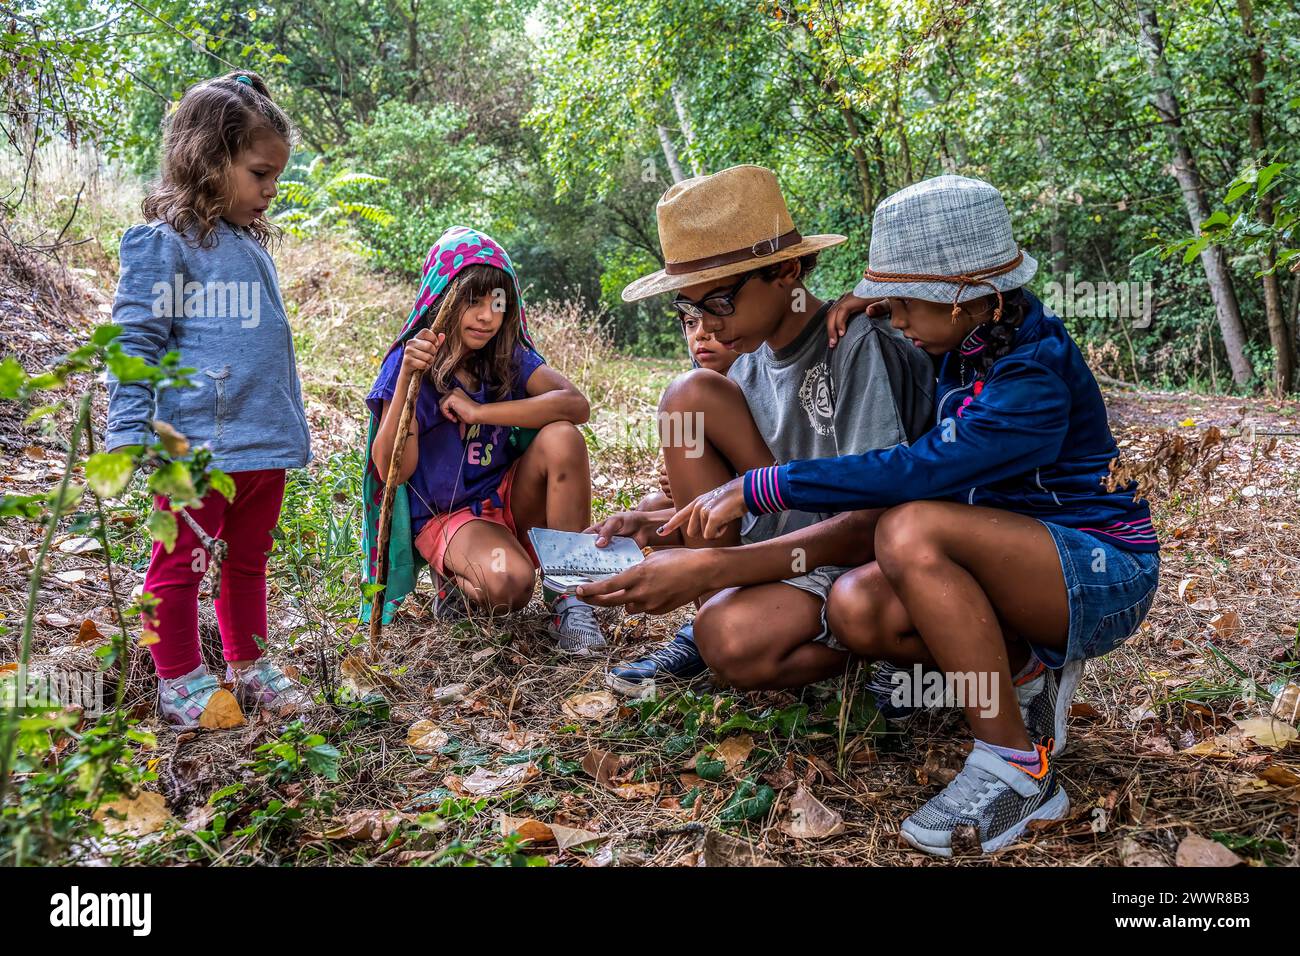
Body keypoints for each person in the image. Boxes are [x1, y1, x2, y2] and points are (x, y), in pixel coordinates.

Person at [656, 175, 1161, 856]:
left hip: (1098, 572)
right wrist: (882, 299)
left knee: (908, 526)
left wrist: (764, 486)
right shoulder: (971, 334)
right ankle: (1023, 675)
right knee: (858, 605)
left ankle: (1019, 771)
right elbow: (929, 324)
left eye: (902, 306)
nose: (891, 321)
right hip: (1013, 556)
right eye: (886, 303)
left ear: (965, 301)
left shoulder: (1030, 376)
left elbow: (914, 471)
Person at [588, 164, 934, 695]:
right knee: (686, 395)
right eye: (689, 309)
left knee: (731, 639)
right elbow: (736, 497)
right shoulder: (745, 362)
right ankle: (713, 617)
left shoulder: (856, 344)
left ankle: (890, 645)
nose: (705, 326)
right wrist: (652, 525)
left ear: (786, 272)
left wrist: (712, 566)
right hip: (778, 547)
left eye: (719, 303)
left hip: (854, 557)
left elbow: (872, 519)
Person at [105, 71, 312, 727]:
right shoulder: (165, 245)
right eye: (259, 174)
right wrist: (128, 430)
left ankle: (249, 664)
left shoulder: (248, 245)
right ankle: (179, 680)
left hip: (260, 443)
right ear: (208, 160)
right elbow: (135, 339)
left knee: (248, 562)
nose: (270, 190)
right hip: (198, 449)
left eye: (276, 176)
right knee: (181, 564)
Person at [363, 226, 608, 654]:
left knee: (563, 437)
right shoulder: (410, 361)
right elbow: (393, 471)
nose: (486, 317)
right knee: (511, 586)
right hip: (450, 516)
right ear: (442, 300)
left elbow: (575, 405)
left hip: (508, 497)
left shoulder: (506, 355)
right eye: (471, 301)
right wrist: (406, 381)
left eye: (497, 303)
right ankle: (455, 582)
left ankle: (570, 597)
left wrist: (479, 413)